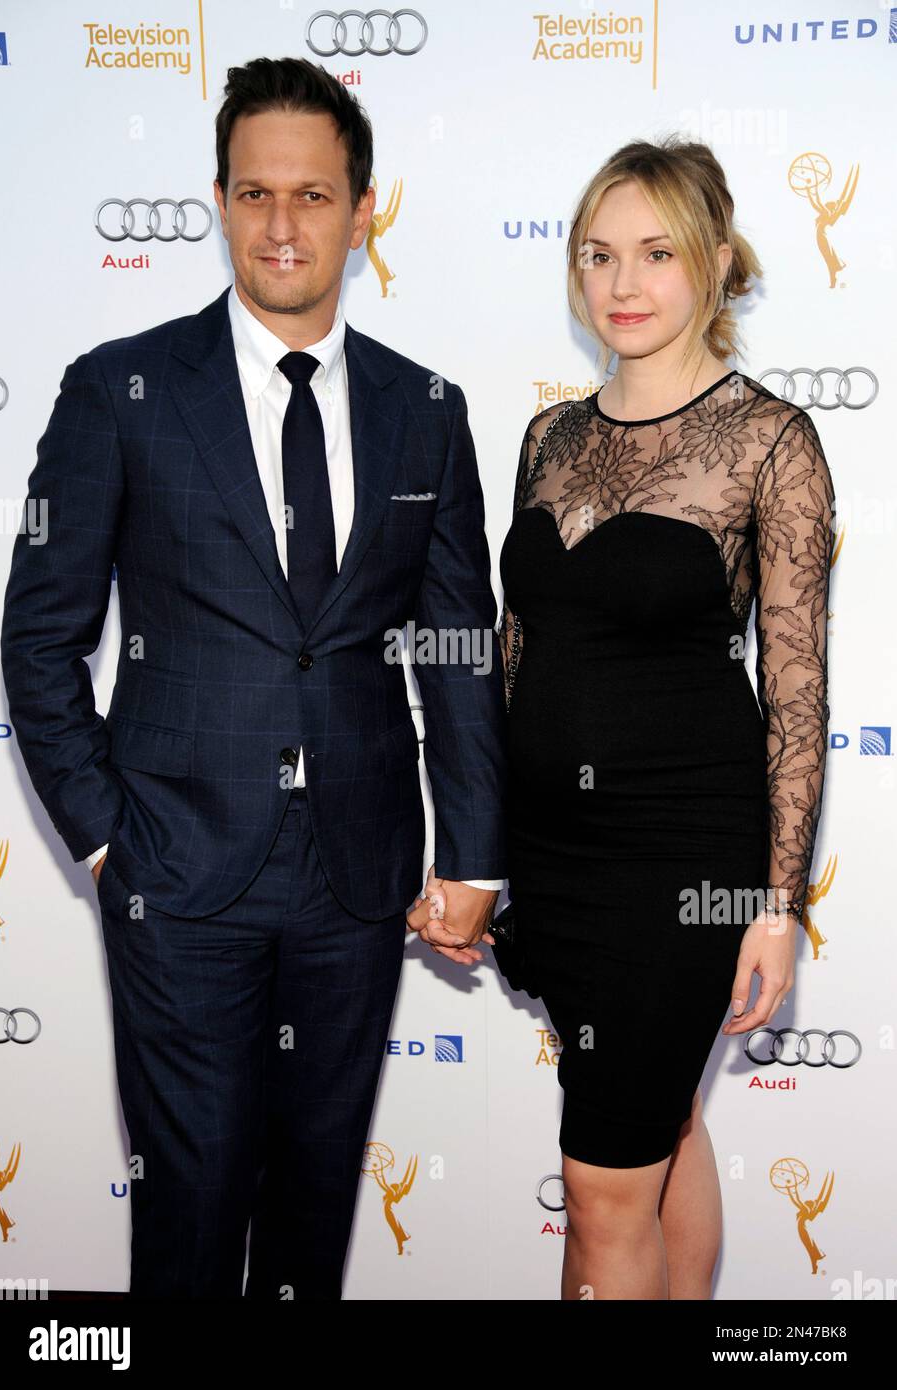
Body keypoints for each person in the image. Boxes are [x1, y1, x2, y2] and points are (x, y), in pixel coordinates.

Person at [0, 56, 505, 1299]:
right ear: (220, 200)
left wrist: (474, 851)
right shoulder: (117, 390)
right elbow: (38, 636)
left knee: (316, 1200)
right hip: (175, 869)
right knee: (192, 1193)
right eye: (256, 192)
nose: (284, 225)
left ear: (363, 207)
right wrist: (109, 841)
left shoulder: (425, 411)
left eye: (316, 195)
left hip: (357, 872)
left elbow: (456, 643)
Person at [419, 137, 835, 1300]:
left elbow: (797, 689)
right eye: (599, 254)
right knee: (663, 1136)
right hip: (561, 857)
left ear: (711, 263)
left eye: (655, 252)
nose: (623, 282)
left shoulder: (770, 442)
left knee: (601, 1194)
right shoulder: (551, 438)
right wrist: (482, 857)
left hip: (681, 861)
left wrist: (774, 904)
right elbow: (514, 653)